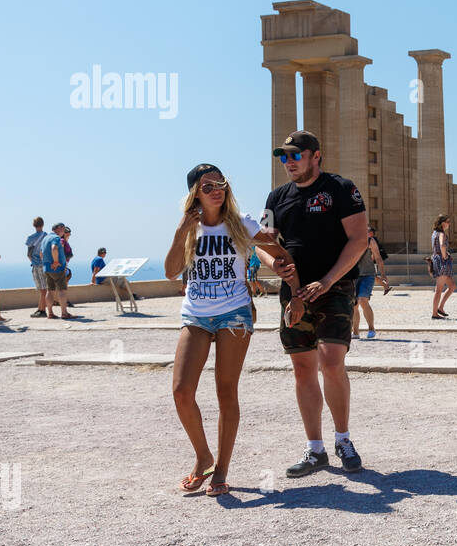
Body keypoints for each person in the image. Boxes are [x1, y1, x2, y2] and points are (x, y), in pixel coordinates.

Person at [165, 163, 294, 497]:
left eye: (220, 183)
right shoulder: (190, 228)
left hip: (234, 314)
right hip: (195, 315)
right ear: (195, 194)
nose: (216, 189)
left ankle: (221, 468)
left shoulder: (241, 223)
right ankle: (203, 457)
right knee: (181, 391)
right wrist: (181, 230)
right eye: (207, 187)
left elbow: (277, 251)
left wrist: (285, 273)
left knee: (226, 391)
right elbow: (170, 271)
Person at [258, 131, 370, 478]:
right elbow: (263, 243)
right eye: (284, 157)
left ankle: (343, 439)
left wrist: (329, 280)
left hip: (334, 287)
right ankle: (315, 450)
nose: (289, 162)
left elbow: (359, 239)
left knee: (331, 360)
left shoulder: (341, 188)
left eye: (295, 156)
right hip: (293, 291)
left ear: (315, 156)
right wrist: (271, 262)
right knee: (303, 368)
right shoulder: (277, 197)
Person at [353, 225, 391, 337]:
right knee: (354, 305)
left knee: (363, 300)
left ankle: (371, 328)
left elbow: (378, 257)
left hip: (367, 274)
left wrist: (383, 274)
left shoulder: (370, 241)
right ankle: (355, 331)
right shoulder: (349, 240)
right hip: (353, 275)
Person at [40, 222, 73, 319]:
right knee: (62, 290)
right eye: (63, 228)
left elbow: (41, 253)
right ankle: (64, 313)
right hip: (57, 268)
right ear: (58, 228)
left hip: (47, 268)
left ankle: (50, 313)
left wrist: (47, 263)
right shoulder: (56, 238)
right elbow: (54, 248)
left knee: (50, 291)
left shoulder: (45, 238)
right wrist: (55, 261)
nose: (63, 231)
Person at [429, 214, 455, 320]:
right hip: (441, 262)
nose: (449, 224)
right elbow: (442, 245)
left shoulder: (434, 233)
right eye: (448, 221)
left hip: (436, 259)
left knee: (452, 286)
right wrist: (445, 256)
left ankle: (440, 308)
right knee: (438, 289)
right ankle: (435, 313)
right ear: (443, 223)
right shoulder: (441, 233)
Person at [26, 216, 47, 318]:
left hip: (35, 265)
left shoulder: (30, 237)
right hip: (44, 264)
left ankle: (42, 310)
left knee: (41, 289)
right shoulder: (46, 236)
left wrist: (34, 261)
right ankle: (41, 309)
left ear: (34, 225)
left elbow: (29, 254)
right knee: (44, 289)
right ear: (43, 224)